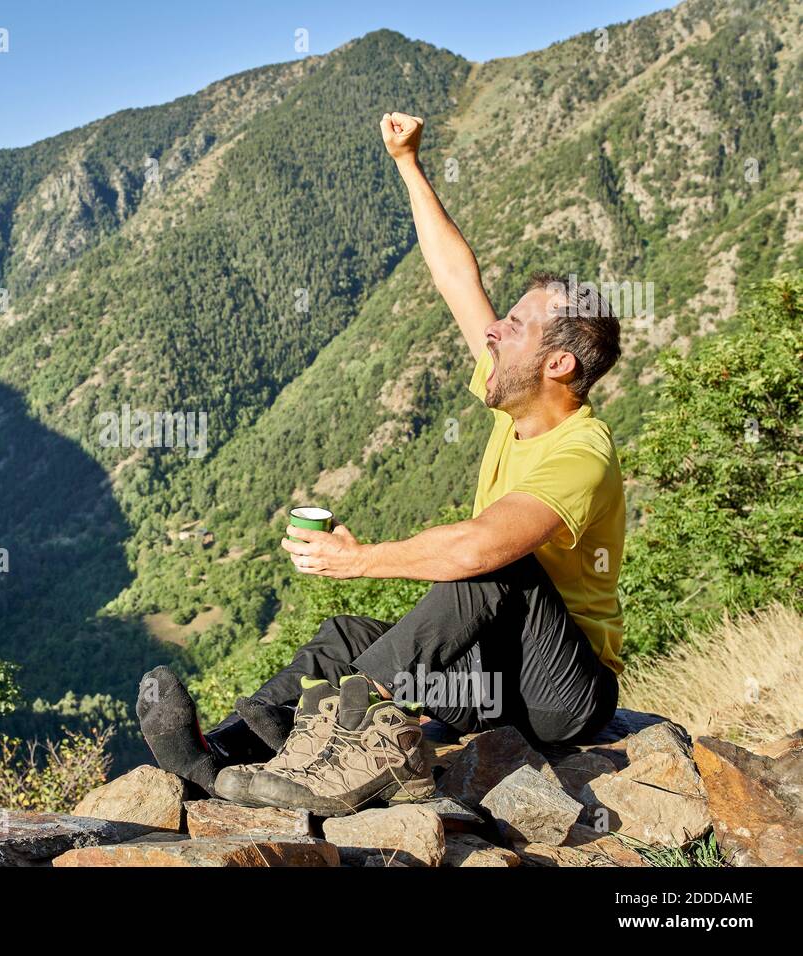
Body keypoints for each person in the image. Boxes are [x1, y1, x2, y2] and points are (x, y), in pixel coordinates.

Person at [137, 112, 625, 816]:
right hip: (487, 685)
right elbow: (457, 277)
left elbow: (486, 548)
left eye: (512, 326)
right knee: (346, 637)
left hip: (562, 697)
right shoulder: (513, 409)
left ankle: (344, 738)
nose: (492, 329)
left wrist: (358, 559)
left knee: (495, 566)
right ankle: (224, 752)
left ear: (557, 363)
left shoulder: (583, 451)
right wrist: (408, 162)